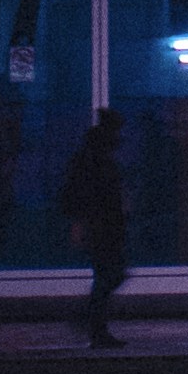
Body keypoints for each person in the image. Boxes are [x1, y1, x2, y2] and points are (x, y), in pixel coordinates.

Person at [63, 104, 130, 347]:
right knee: (110, 274)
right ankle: (93, 324)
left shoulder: (93, 157)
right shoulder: (97, 160)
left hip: (101, 224)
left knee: (107, 274)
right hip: (102, 225)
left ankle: (93, 324)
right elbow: (91, 193)